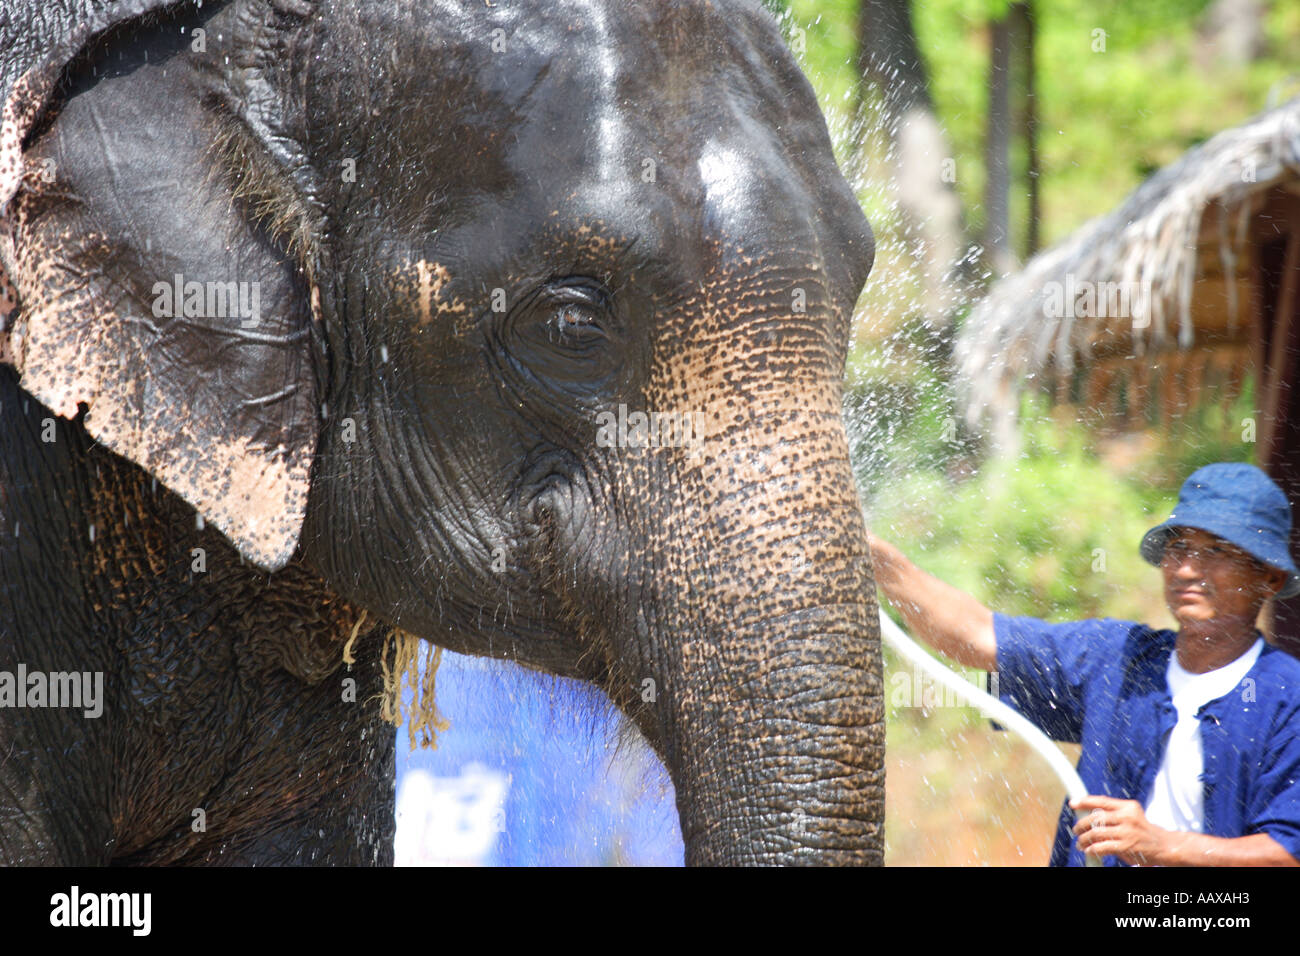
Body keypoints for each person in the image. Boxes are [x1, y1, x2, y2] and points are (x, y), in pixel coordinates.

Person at [869, 462, 1300, 866]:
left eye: (1217, 551)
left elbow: (1287, 853)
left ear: (1270, 577)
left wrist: (1160, 844)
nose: (1186, 569)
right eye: (1179, 548)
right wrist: (878, 560)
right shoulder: (1118, 657)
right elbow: (978, 634)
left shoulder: (1288, 698)